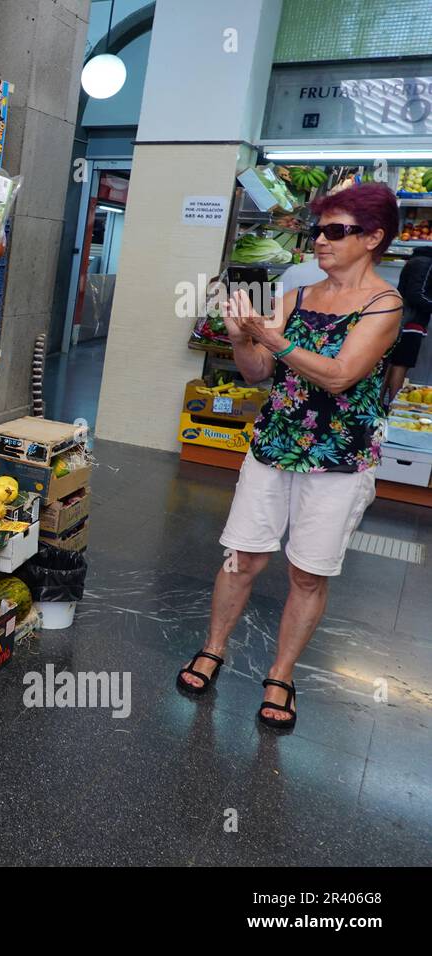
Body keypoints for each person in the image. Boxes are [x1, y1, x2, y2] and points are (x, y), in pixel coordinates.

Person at [176, 183, 403, 731]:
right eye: (317, 231)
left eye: (336, 231)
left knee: (307, 572)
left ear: (374, 238)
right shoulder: (295, 296)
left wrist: (270, 341)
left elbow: (341, 375)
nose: (321, 242)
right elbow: (258, 373)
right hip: (274, 445)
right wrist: (239, 340)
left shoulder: (384, 304)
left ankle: (280, 674)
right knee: (241, 556)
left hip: (339, 459)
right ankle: (213, 648)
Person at [386, 246, 432, 402]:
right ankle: (392, 407)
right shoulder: (426, 263)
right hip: (411, 321)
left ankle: (380, 407)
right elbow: (416, 294)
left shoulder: (416, 260)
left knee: (390, 364)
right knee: (400, 365)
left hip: (402, 319)